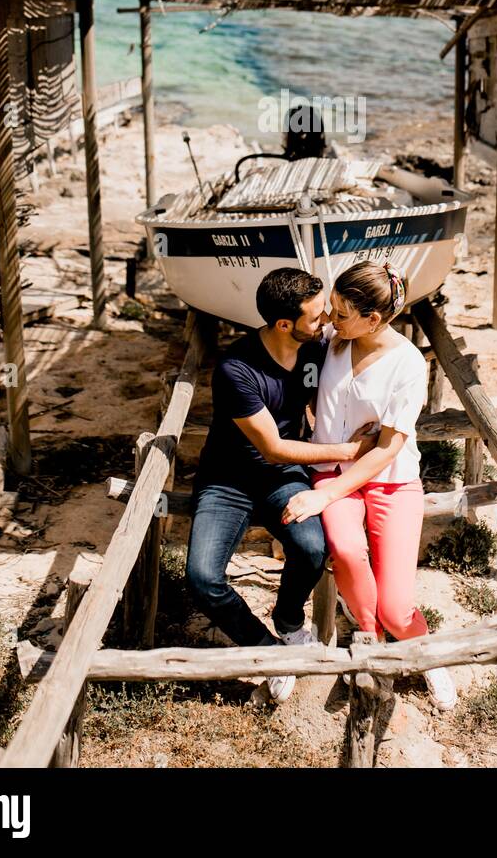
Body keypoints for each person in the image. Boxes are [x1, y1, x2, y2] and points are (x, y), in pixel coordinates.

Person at [185, 267, 377, 704]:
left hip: (284, 481)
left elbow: (371, 341)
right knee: (200, 578)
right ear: (284, 324)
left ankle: (290, 622)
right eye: (315, 316)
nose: (326, 320)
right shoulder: (237, 369)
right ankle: (267, 650)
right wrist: (350, 451)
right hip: (227, 482)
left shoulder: (316, 350)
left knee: (312, 547)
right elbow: (271, 447)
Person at [281, 259, 458, 710]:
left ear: (373, 319)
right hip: (332, 472)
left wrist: (325, 494)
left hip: (392, 482)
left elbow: (386, 449)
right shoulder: (332, 341)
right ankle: (368, 637)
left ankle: (426, 653)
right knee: (345, 550)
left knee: (397, 607)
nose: (330, 320)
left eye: (340, 313)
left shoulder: (408, 365)